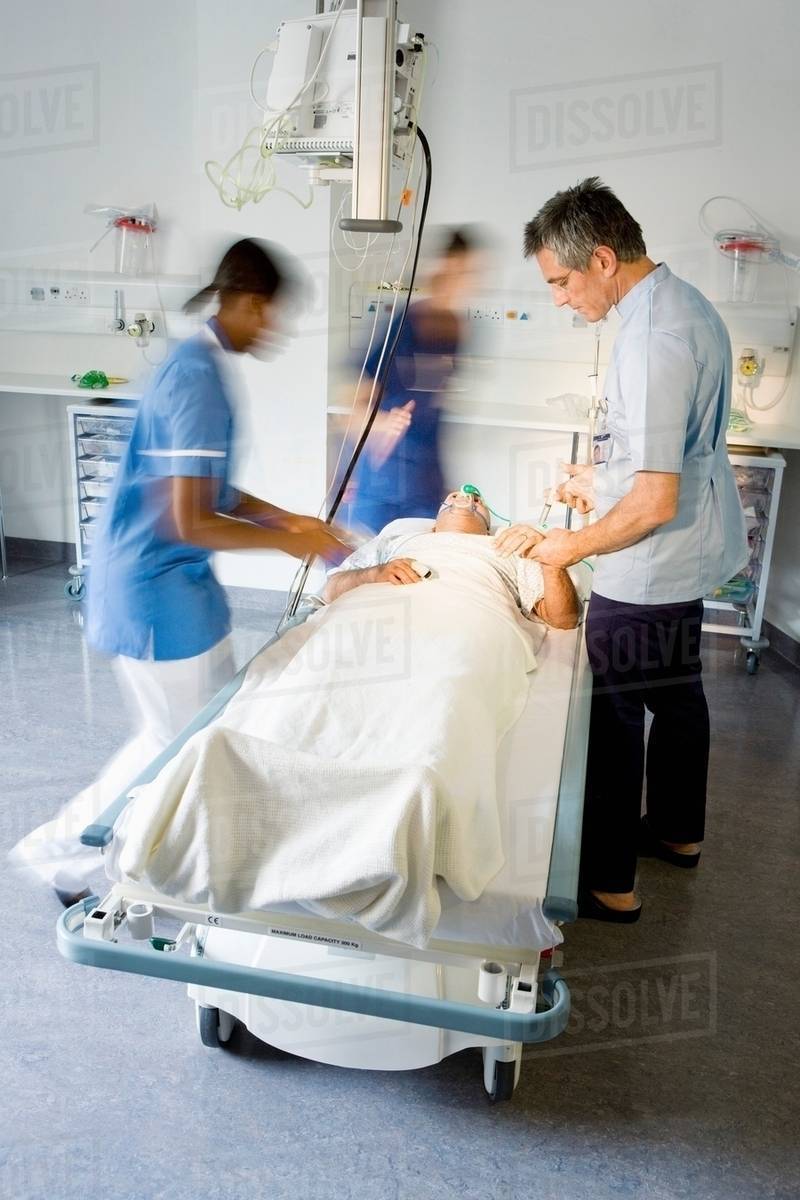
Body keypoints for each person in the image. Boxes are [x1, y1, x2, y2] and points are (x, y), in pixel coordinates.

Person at [9, 238, 351, 905]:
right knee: (172, 747)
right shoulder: (195, 378)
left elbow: (215, 493)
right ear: (249, 302)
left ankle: (182, 859)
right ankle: (61, 857)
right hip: (152, 593)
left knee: (206, 739)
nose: (275, 331)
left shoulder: (203, 365)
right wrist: (287, 544)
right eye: (272, 315)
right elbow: (187, 521)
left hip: (174, 590)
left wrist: (290, 522)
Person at [495, 177, 747, 922]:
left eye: (562, 282)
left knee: (611, 715)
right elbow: (659, 459)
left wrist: (564, 548)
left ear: (602, 259)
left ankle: (609, 883)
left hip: (651, 562)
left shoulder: (650, 339)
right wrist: (598, 478)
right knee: (677, 694)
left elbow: (654, 500)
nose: (561, 299)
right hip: (685, 549)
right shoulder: (683, 305)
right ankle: (677, 835)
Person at [341, 229, 484, 533]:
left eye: (471, 273)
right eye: (458, 271)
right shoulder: (402, 327)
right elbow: (349, 412)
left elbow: (434, 411)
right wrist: (381, 423)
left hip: (428, 483)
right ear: (440, 269)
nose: (464, 282)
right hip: (385, 484)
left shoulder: (459, 330)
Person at [324, 488, 582, 631]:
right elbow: (330, 591)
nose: (465, 496)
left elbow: (564, 620)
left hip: (464, 624)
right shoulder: (397, 541)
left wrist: (551, 559)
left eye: (478, 501)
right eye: (451, 496)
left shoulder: (511, 545)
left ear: (487, 526)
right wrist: (374, 574)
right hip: (375, 621)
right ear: (434, 526)